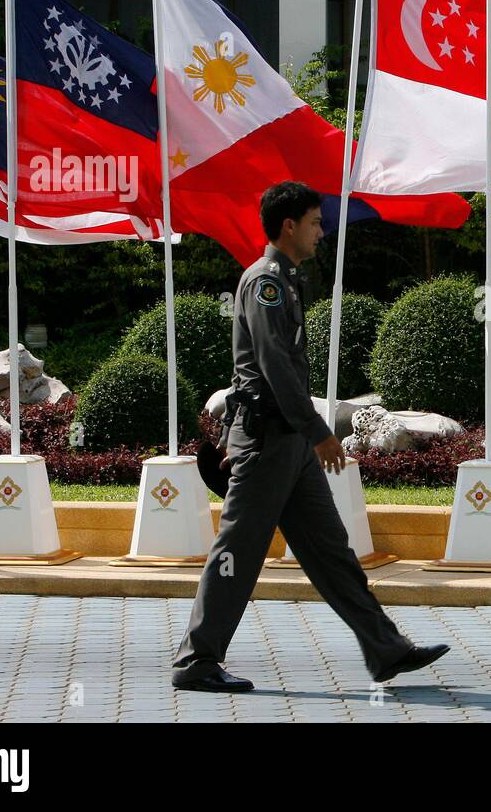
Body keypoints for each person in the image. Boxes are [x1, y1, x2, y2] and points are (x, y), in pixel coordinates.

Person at [171, 181, 449, 692]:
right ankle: (197, 661)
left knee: (330, 550)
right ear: (289, 225)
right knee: (236, 552)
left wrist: (308, 438)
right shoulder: (266, 282)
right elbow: (275, 365)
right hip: (267, 442)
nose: (323, 231)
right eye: (317, 222)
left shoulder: (286, 280)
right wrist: (320, 432)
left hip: (290, 446)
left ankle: (385, 650)